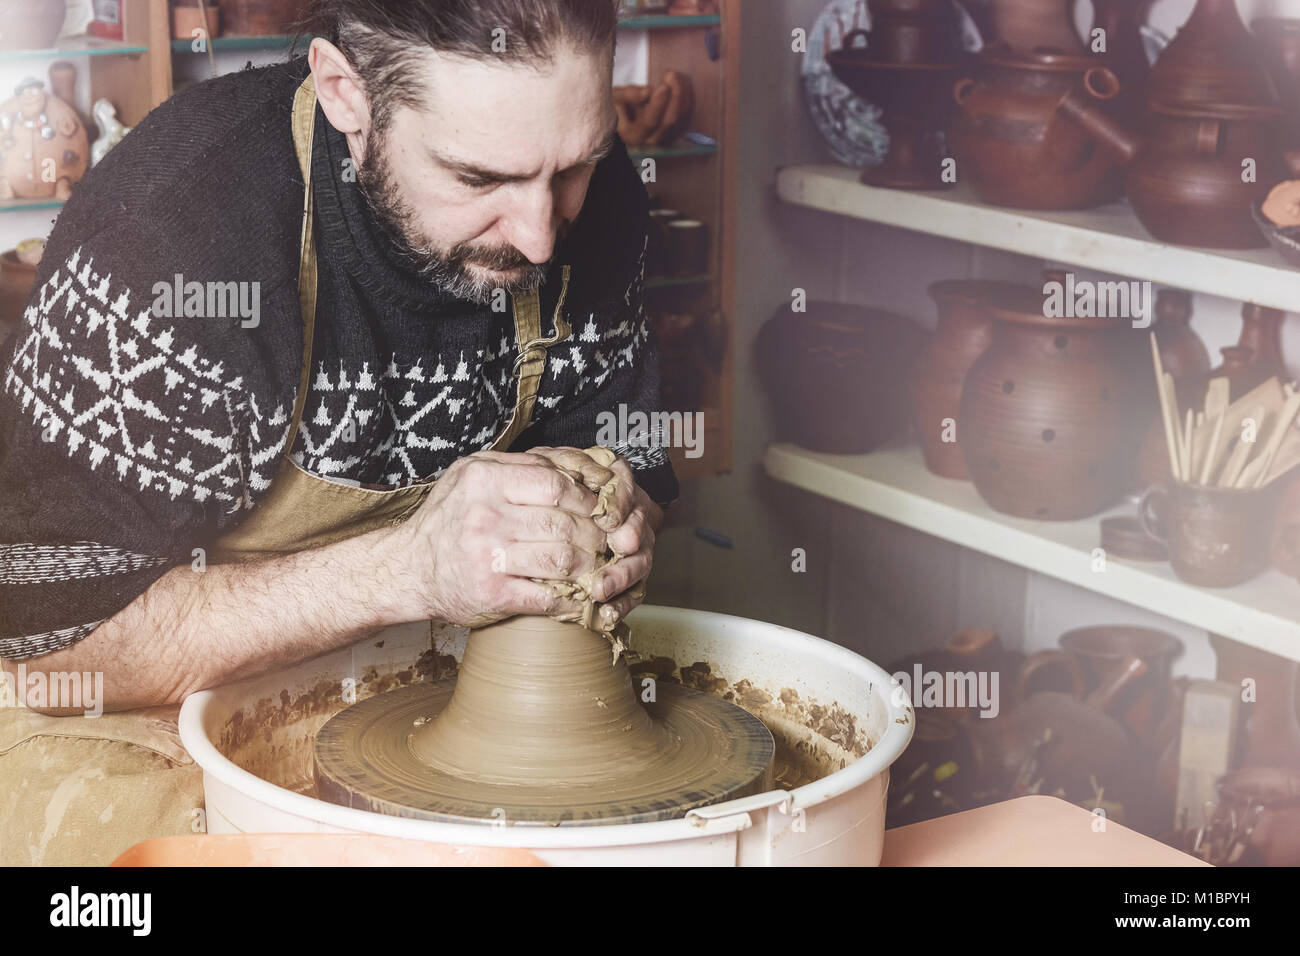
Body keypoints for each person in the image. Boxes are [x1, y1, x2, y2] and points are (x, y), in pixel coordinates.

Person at [0, 0, 676, 864]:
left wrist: (611, 521)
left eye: (576, 166)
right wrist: (409, 569)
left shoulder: (592, 194)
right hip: (124, 721)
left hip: (434, 701)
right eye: (479, 180)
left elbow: (633, 470)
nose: (543, 235)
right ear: (345, 93)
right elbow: (46, 647)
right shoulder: (174, 236)